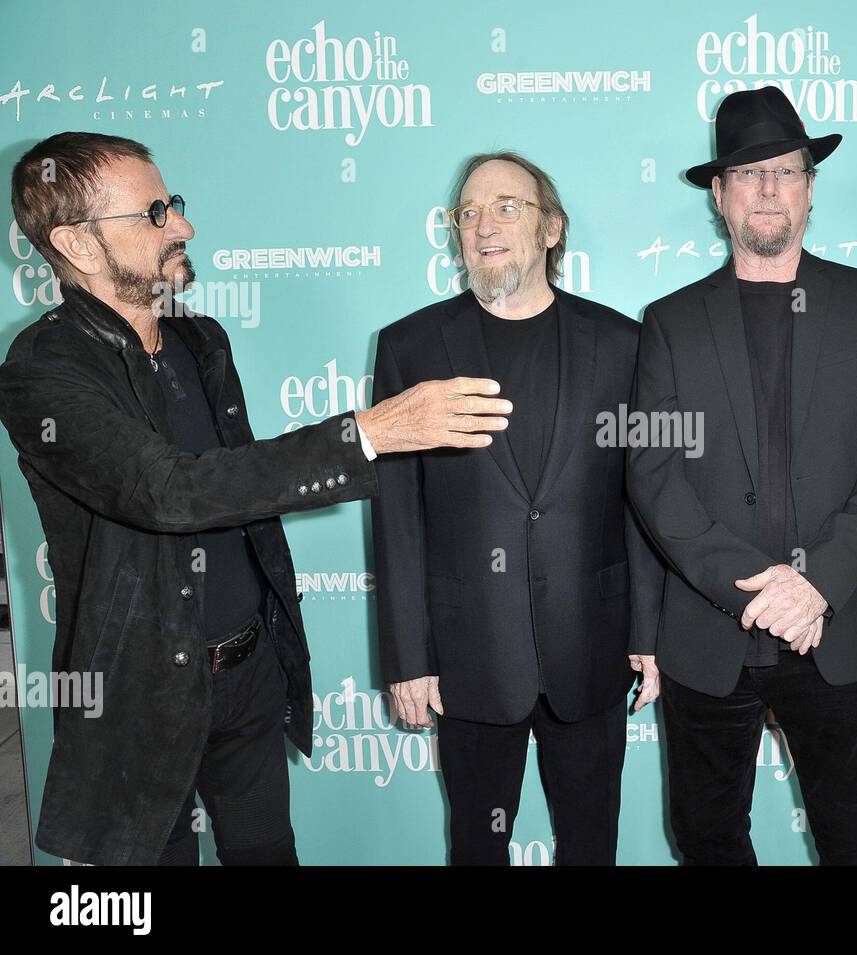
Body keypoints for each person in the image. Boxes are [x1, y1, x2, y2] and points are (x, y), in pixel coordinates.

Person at [0, 131, 511, 865]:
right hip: (142, 700)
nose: (182, 225)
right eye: (153, 213)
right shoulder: (42, 372)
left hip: (247, 675)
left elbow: (238, 489)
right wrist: (366, 433)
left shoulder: (199, 341)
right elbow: (169, 490)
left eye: (172, 203)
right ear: (77, 245)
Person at [626, 88, 857, 865]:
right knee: (708, 840)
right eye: (749, 174)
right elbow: (654, 472)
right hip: (709, 633)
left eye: (784, 171)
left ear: (810, 187)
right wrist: (757, 592)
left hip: (839, 624)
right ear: (719, 195)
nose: (768, 189)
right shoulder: (670, 321)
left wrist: (815, 585)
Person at [372, 151, 664, 865]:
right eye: (467, 212)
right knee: (477, 845)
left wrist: (649, 631)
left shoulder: (623, 343)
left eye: (506, 206)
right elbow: (397, 515)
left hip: (591, 648)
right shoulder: (410, 346)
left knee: (591, 844)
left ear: (551, 228)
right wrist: (409, 656)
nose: (483, 225)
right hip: (468, 655)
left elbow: (644, 499)